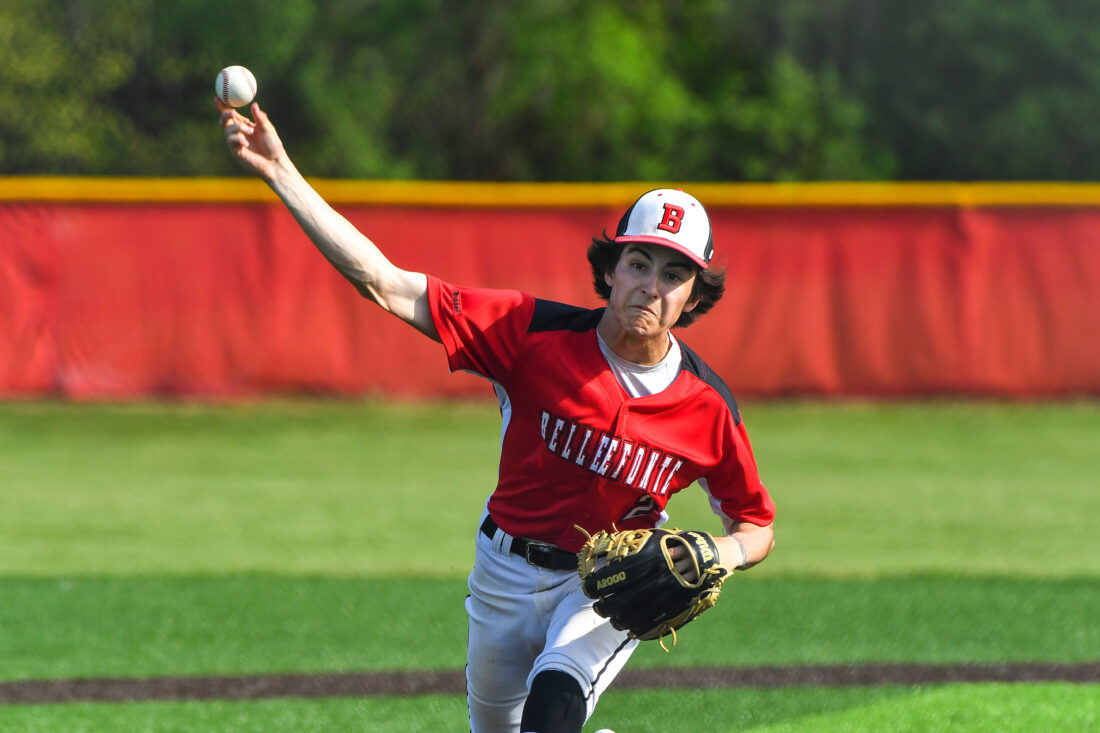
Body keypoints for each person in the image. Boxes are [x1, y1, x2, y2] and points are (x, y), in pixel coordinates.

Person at [217, 98, 775, 733]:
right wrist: (281, 170)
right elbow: (384, 282)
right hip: (503, 573)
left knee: (552, 710)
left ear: (695, 295)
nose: (651, 284)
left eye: (674, 274)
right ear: (612, 270)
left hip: (604, 584)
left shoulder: (707, 404)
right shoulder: (530, 333)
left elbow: (755, 523)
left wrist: (723, 553)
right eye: (639, 263)